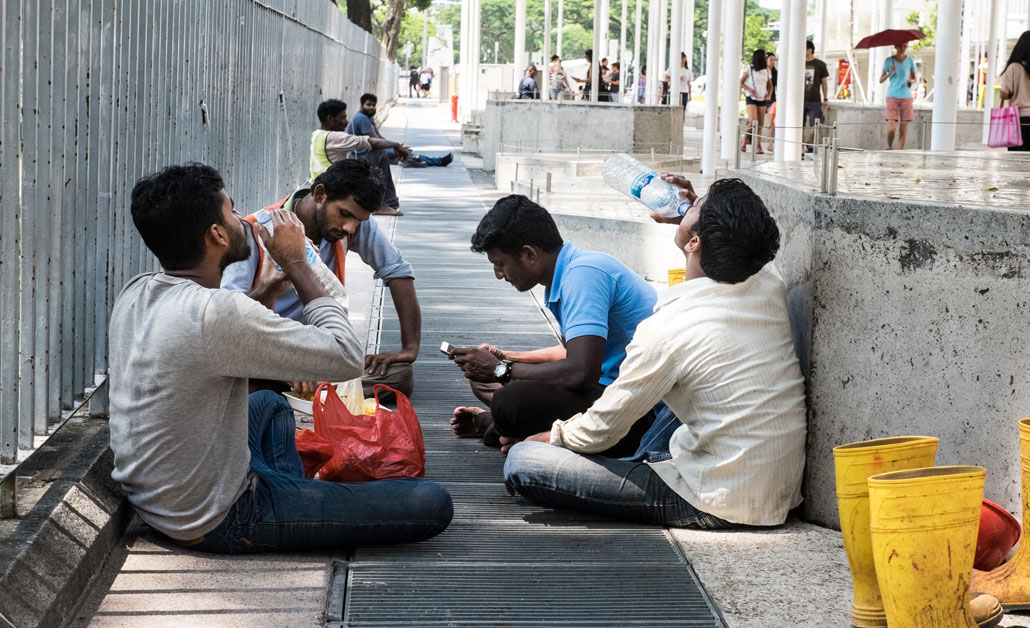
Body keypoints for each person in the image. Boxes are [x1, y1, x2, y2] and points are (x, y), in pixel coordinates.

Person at [109, 163, 452, 554]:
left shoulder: (137, 290)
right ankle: (295, 508)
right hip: (218, 516)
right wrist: (297, 263)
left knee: (269, 404)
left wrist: (272, 287)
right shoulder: (217, 312)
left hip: (158, 498)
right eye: (232, 212)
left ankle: (297, 500)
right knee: (431, 501)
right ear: (217, 235)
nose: (243, 219)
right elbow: (346, 357)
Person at [502, 176, 807, 529]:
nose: (686, 204)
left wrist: (552, 437)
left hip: (714, 499)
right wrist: (694, 219)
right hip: (776, 490)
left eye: (692, 206)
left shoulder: (668, 329)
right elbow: (733, 245)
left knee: (523, 461)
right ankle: (644, 458)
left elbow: (603, 429)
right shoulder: (767, 280)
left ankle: (634, 466)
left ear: (695, 241)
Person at [447, 195, 657, 456]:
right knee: (482, 380)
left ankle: (496, 426)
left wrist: (502, 369)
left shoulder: (583, 275)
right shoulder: (569, 273)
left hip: (638, 409)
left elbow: (580, 372)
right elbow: (573, 351)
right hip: (602, 385)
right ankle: (510, 429)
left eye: (500, 264)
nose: (499, 275)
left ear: (528, 254)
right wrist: (505, 358)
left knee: (509, 400)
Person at [222, 158, 422, 401]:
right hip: (267, 351)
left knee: (400, 375)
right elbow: (227, 323)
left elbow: (397, 270)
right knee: (249, 386)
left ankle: (303, 394)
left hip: (319, 353)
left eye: (358, 220)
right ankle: (300, 393)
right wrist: (267, 289)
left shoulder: (353, 225)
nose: (350, 227)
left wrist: (409, 349)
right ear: (319, 194)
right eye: (344, 214)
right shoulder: (255, 231)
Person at [342, 95, 454, 181]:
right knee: (404, 152)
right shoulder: (362, 119)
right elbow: (373, 141)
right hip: (365, 153)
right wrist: (396, 146)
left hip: (371, 150)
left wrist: (392, 145)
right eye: (368, 105)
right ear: (362, 105)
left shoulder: (368, 117)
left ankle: (411, 160)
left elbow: (379, 137)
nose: (371, 107)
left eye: (373, 105)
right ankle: (436, 161)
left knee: (400, 153)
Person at [310, 98, 409, 194]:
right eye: (342, 118)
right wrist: (396, 145)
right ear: (331, 119)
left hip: (319, 181)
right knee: (379, 154)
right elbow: (369, 141)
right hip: (332, 184)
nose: (346, 122)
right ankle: (387, 203)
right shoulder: (334, 136)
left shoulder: (317, 134)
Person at [880, 41, 917, 150]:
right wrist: (889, 73)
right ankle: (889, 147)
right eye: (901, 46)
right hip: (892, 95)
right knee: (892, 127)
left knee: (903, 127)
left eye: (905, 46)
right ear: (896, 46)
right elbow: (880, 80)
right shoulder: (888, 61)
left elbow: (914, 78)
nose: (903, 48)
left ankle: (900, 152)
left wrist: (911, 81)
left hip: (906, 95)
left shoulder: (909, 60)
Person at [740, 49, 772, 154]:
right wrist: (750, 90)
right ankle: (744, 140)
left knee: (760, 123)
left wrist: (769, 94)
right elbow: (741, 82)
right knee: (753, 120)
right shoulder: (750, 68)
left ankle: (758, 145)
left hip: (762, 97)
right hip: (751, 97)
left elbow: (770, 85)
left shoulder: (767, 70)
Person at [803, 41, 831, 154]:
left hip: (815, 99)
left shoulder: (820, 64)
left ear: (810, 50)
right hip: (800, 100)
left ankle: (809, 142)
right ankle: (801, 145)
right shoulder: (798, 63)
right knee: (799, 124)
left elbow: (824, 82)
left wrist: (825, 98)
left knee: (817, 124)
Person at [765, 52, 778, 151]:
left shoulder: (776, 73)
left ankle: (771, 144)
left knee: (772, 122)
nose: (773, 62)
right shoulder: (761, 71)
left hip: (771, 100)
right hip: (760, 99)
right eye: (771, 60)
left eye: (774, 60)